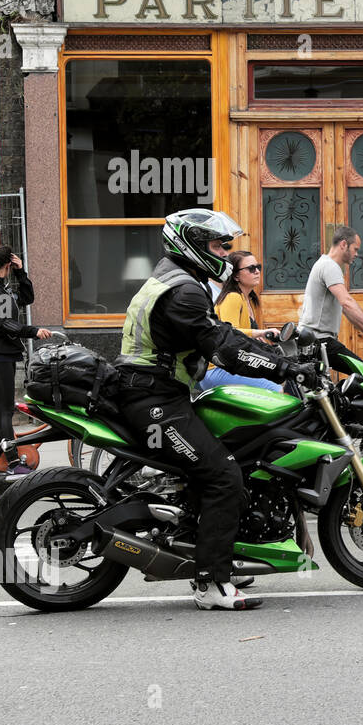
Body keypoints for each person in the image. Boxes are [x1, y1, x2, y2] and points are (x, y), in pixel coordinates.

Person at [115, 209, 296, 611]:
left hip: (158, 391)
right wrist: (283, 365)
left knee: (228, 458)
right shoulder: (185, 290)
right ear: (192, 245)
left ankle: (218, 553)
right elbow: (222, 348)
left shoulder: (177, 278)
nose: (224, 253)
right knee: (223, 476)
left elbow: (222, 334)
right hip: (153, 399)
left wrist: (271, 351)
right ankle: (210, 583)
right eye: (217, 245)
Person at [0, 246, 52, 479]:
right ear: (6, 264)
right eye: (11, 265)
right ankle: (13, 462)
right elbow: (4, 323)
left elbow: (27, 298)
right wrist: (32, 331)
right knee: (5, 410)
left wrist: (21, 273)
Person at [198, 250, 281, 393]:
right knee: (275, 389)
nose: (257, 272)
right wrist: (260, 332)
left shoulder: (249, 299)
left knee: (279, 375)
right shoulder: (232, 297)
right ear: (236, 275)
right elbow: (230, 334)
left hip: (235, 364)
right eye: (251, 268)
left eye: (258, 267)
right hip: (218, 368)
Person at [298, 225, 363, 354]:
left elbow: (344, 308)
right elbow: (347, 302)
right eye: (355, 249)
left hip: (315, 340)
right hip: (319, 340)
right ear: (344, 244)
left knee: (358, 372)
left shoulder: (325, 264)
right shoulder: (329, 266)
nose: (356, 254)